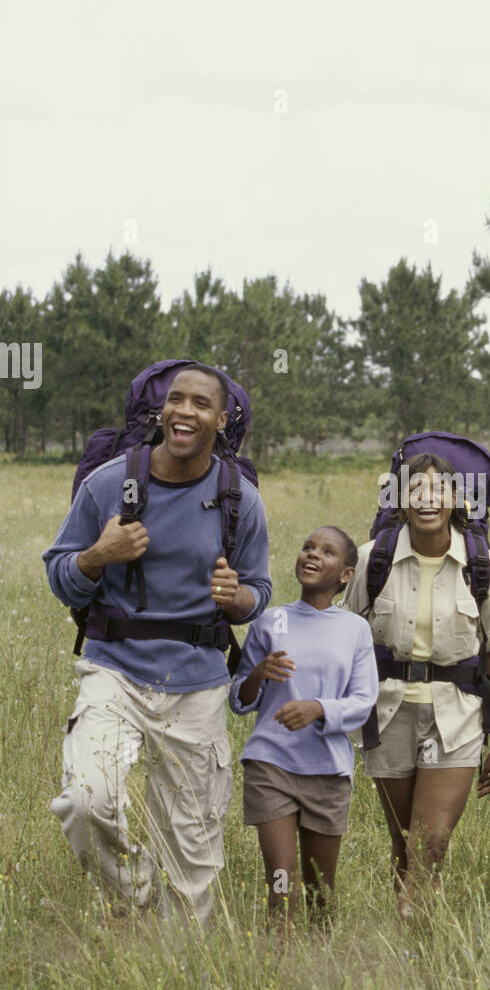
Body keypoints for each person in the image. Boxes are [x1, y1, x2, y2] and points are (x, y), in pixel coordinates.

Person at [43, 364, 272, 927]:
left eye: (200, 404)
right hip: (114, 671)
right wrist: (100, 555)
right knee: (86, 800)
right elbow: (59, 574)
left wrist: (235, 596)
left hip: (197, 683)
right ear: (161, 411)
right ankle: (138, 889)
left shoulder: (239, 499)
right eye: (176, 400)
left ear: (221, 420)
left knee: (192, 842)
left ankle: (183, 976)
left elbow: (259, 593)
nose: (184, 412)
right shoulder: (108, 484)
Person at [343, 453, 490, 922]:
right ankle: (413, 934)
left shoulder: (481, 565)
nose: (427, 499)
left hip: (456, 718)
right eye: (415, 489)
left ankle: (414, 932)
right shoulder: (371, 558)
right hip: (388, 714)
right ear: (399, 500)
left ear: (457, 499)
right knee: (404, 842)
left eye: (438, 490)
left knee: (431, 840)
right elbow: (347, 635)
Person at [229, 526, 378, 929]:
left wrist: (317, 709)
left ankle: (316, 968)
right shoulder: (270, 622)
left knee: (320, 893)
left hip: (327, 772)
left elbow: (363, 703)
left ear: (346, 574)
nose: (312, 555)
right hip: (270, 764)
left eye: (327, 552)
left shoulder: (355, 630)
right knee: (281, 883)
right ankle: (280, 959)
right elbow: (239, 700)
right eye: (307, 546)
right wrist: (259, 673)